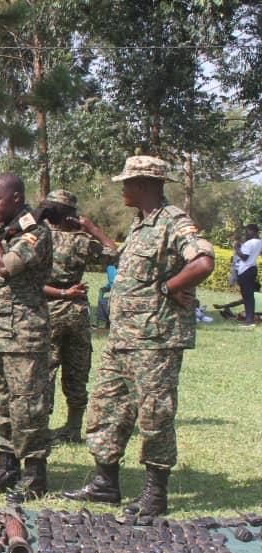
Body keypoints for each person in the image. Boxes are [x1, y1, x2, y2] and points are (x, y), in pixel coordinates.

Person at [63, 156, 214, 515]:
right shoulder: (139, 225)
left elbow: (203, 261)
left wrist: (168, 287)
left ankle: (155, 494)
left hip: (155, 339)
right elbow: (123, 262)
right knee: (106, 408)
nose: (123, 188)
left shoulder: (172, 221)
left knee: (154, 414)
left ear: (145, 184)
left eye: (127, 182)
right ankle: (105, 483)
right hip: (123, 338)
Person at [0, 173, 52, 502]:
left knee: (27, 406)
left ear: (16, 199)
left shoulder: (35, 233)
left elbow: (5, 267)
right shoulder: (8, 231)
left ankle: (34, 474)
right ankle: (7, 466)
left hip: (23, 334)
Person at [39, 190, 120, 444]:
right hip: (76, 310)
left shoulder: (37, 237)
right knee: (77, 369)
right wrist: (93, 229)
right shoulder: (83, 241)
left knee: (44, 369)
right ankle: (73, 427)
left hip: (47, 308)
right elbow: (116, 255)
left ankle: (40, 425)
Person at [233, 223, 260, 327]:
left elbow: (244, 257)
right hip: (252, 269)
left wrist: (236, 248)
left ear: (253, 231)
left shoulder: (250, 243)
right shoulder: (259, 242)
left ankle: (249, 321)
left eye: (247, 231)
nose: (246, 233)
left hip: (245, 271)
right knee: (249, 296)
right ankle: (249, 319)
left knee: (247, 297)